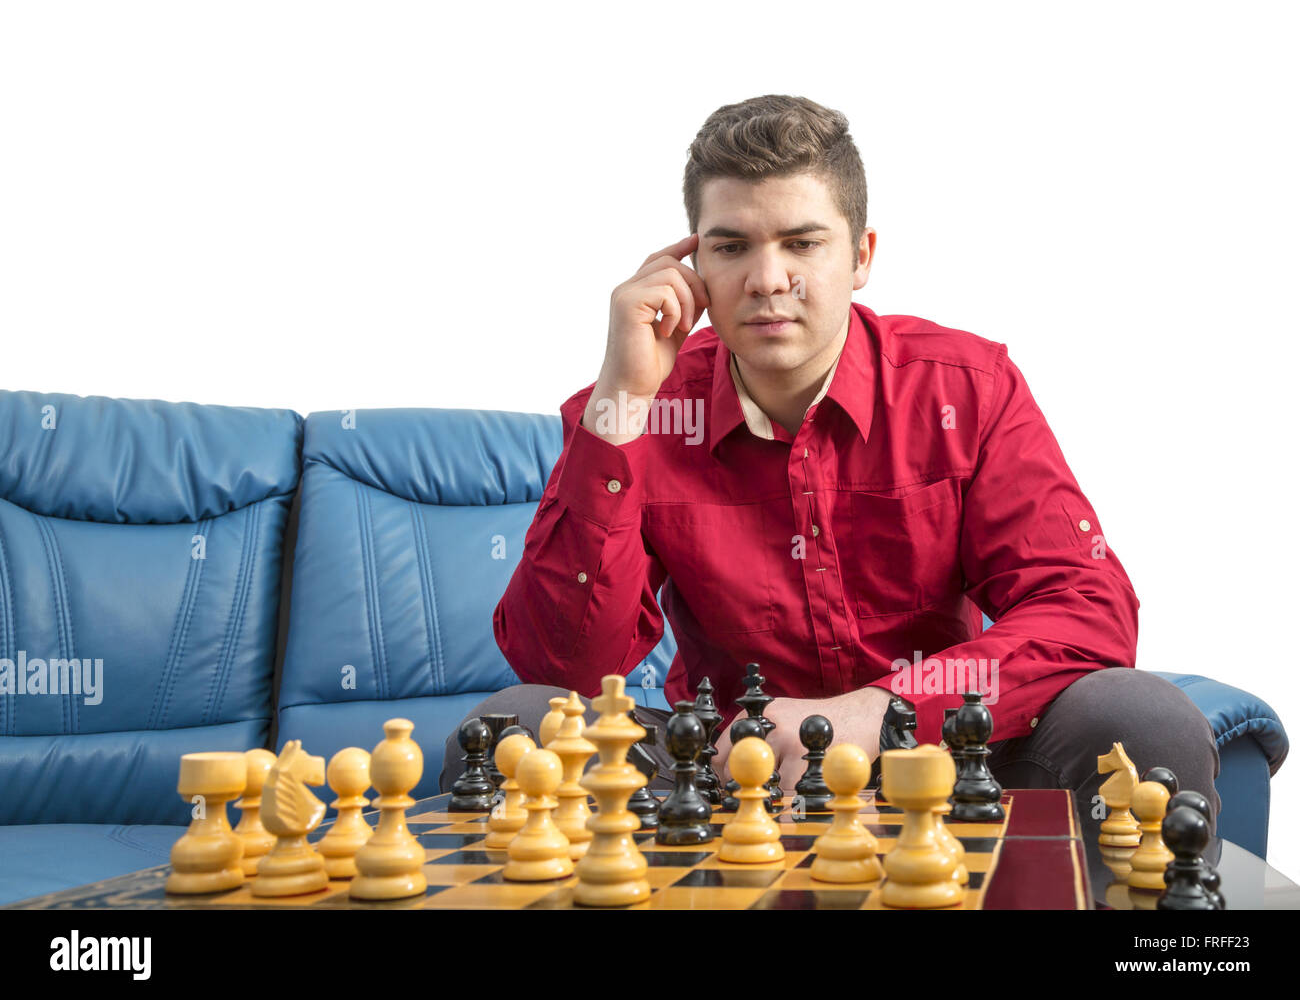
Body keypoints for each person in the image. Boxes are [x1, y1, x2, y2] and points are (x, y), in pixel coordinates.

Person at [444, 94, 1220, 855]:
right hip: (725, 775)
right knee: (515, 725)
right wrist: (621, 399)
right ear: (692, 269)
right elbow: (563, 668)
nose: (767, 278)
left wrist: (886, 708)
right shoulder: (639, 407)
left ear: (862, 257)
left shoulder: (964, 387)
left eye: (802, 243)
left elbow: (1085, 607)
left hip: (947, 754)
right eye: (731, 246)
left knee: (1140, 715)